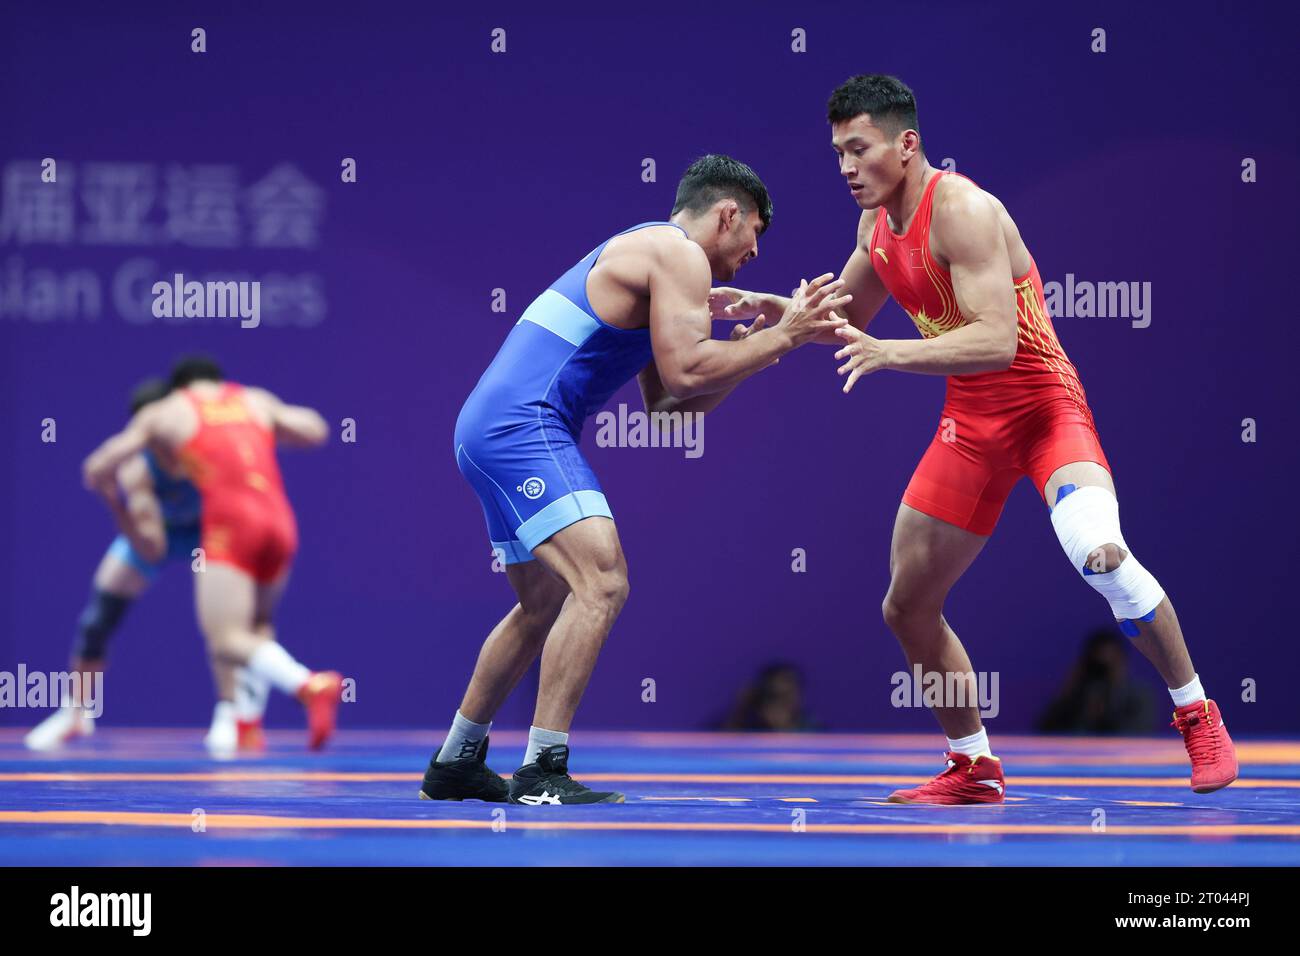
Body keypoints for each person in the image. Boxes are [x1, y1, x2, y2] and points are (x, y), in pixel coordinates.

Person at [712, 75, 1236, 803]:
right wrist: (783, 314)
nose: (846, 167)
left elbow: (994, 341)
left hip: (1045, 410)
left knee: (1102, 556)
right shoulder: (874, 228)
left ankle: (1198, 713)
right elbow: (849, 312)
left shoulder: (964, 212)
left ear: (907, 144)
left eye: (859, 149)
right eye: (837, 153)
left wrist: (891, 354)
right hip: (972, 425)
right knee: (907, 604)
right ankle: (974, 767)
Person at [421, 154, 851, 805]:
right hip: (522, 425)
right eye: (754, 233)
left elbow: (671, 406)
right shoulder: (676, 251)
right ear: (727, 213)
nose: (754, 252)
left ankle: (456, 761)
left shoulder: (661, 263)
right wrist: (784, 337)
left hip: (490, 427)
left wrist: (760, 348)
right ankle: (542, 770)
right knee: (603, 582)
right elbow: (686, 374)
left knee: (541, 605)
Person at [81, 356, 342, 750]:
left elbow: (98, 466)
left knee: (225, 638)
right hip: (280, 522)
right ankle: (247, 724)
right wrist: (262, 431)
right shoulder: (252, 400)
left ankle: (308, 685)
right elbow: (316, 430)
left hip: (232, 526)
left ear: (181, 388)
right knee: (258, 625)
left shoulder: (166, 411)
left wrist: (104, 488)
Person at [25, 378, 270, 755]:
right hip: (160, 536)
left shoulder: (203, 452)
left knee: (222, 624)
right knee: (97, 617)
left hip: (208, 535)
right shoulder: (136, 470)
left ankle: (229, 712)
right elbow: (151, 547)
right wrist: (114, 503)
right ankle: (75, 711)